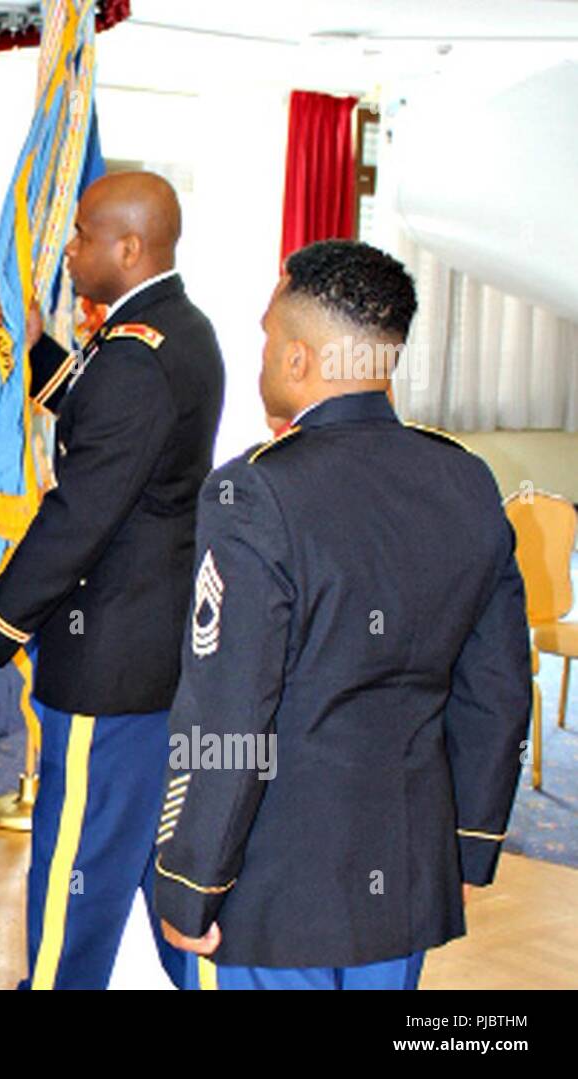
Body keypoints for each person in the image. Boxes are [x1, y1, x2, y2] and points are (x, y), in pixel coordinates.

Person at [154, 239, 531, 990]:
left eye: (267, 339)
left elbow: (229, 710)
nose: (261, 358)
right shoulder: (465, 478)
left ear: (298, 359)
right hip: (408, 865)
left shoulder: (254, 494)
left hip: (272, 881)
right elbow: (498, 690)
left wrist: (191, 879)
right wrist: (468, 845)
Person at [0, 171, 225, 989]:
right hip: (152, 655)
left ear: (130, 247)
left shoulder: (139, 354)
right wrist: (35, 349)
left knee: (74, 873)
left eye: (85, 234)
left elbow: (77, 518)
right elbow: (113, 429)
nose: (71, 249)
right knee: (154, 863)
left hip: (109, 664)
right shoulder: (172, 330)